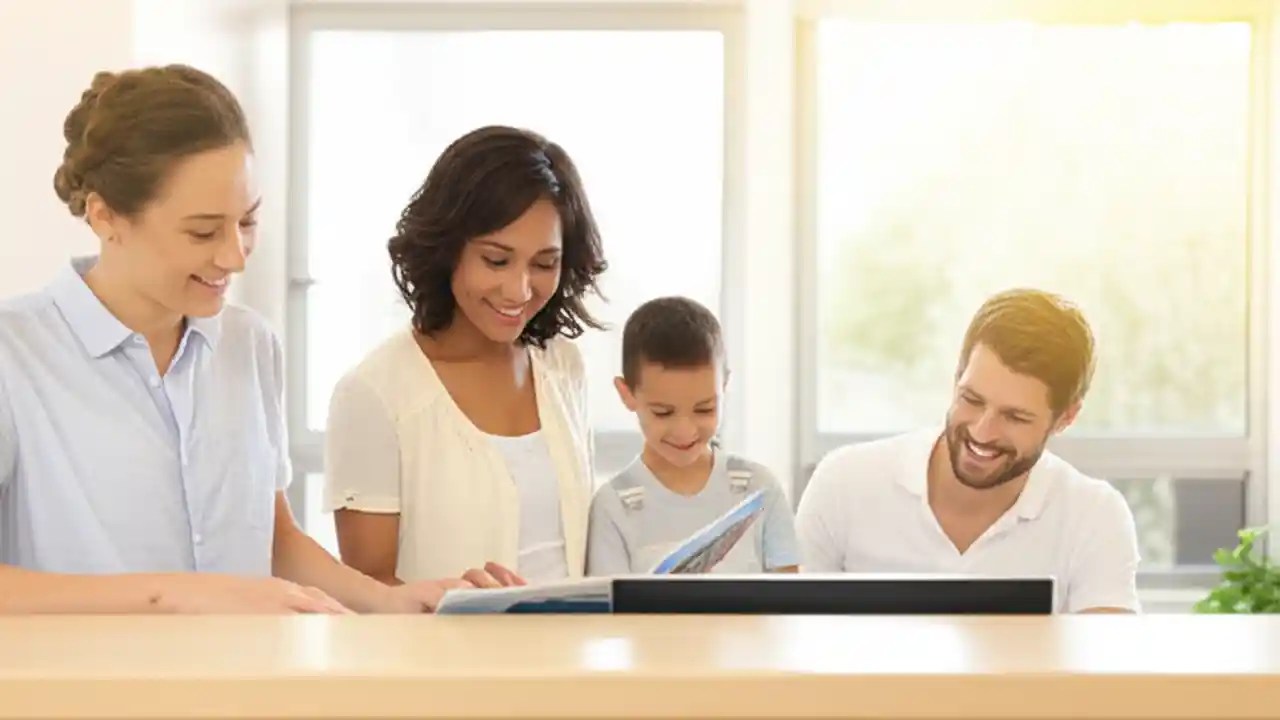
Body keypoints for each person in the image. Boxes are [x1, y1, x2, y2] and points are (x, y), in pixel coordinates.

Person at [0, 64, 501, 614]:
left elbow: (273, 537)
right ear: (105, 216)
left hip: (244, 691)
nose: (234, 256)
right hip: (79, 698)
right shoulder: (15, 353)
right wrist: (170, 595)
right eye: (203, 231)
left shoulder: (249, 344)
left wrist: (389, 601)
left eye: (248, 222)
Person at [324, 126, 608, 585]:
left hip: (567, 652)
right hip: (446, 657)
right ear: (447, 248)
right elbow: (369, 593)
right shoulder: (375, 394)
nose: (520, 289)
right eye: (497, 260)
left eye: (544, 263)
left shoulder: (563, 366)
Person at [796, 289, 1140, 613]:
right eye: (971, 400)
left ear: (1066, 418)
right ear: (956, 378)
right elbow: (784, 642)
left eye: (1015, 417)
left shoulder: (1094, 516)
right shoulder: (844, 482)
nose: (982, 432)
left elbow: (1107, 669)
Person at [586, 296, 799, 575]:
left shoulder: (760, 488)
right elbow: (610, 612)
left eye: (705, 409)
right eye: (663, 412)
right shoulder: (613, 505)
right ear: (627, 394)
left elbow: (789, 602)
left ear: (724, 386)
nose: (685, 431)